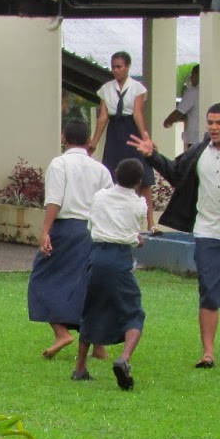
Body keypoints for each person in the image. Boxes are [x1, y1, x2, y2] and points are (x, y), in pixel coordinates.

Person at [128, 102, 220, 368]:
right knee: (209, 292)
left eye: (219, 123)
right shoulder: (199, 152)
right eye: (210, 123)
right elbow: (174, 172)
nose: (213, 128)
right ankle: (208, 353)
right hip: (209, 234)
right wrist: (151, 155)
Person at [27, 116, 111, 360]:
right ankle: (98, 345)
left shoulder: (60, 164)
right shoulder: (101, 169)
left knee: (42, 280)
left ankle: (62, 332)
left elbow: (54, 200)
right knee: (88, 285)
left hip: (66, 229)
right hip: (94, 231)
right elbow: (108, 203)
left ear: (63, 138)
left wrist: (45, 231)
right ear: (88, 141)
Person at [73, 158, 149, 389]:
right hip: (120, 259)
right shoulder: (139, 204)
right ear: (138, 181)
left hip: (97, 255)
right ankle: (124, 358)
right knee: (134, 312)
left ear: (115, 173)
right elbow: (134, 230)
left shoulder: (99, 197)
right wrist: (136, 239)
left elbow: (92, 226)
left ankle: (80, 367)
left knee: (91, 308)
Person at [92, 51, 158, 233]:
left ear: (127, 67)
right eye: (113, 67)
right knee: (112, 177)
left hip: (131, 130)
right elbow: (103, 116)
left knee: (143, 177)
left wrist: (145, 137)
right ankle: (114, 223)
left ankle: (151, 223)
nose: (116, 70)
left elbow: (137, 113)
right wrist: (94, 141)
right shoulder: (106, 89)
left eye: (119, 67)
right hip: (115, 132)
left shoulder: (138, 88)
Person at [164, 64, 203, 150]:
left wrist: (168, 121)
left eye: (192, 75)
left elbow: (180, 111)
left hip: (195, 139)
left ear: (198, 75)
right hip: (207, 137)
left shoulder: (193, 92)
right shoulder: (209, 91)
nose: (190, 78)